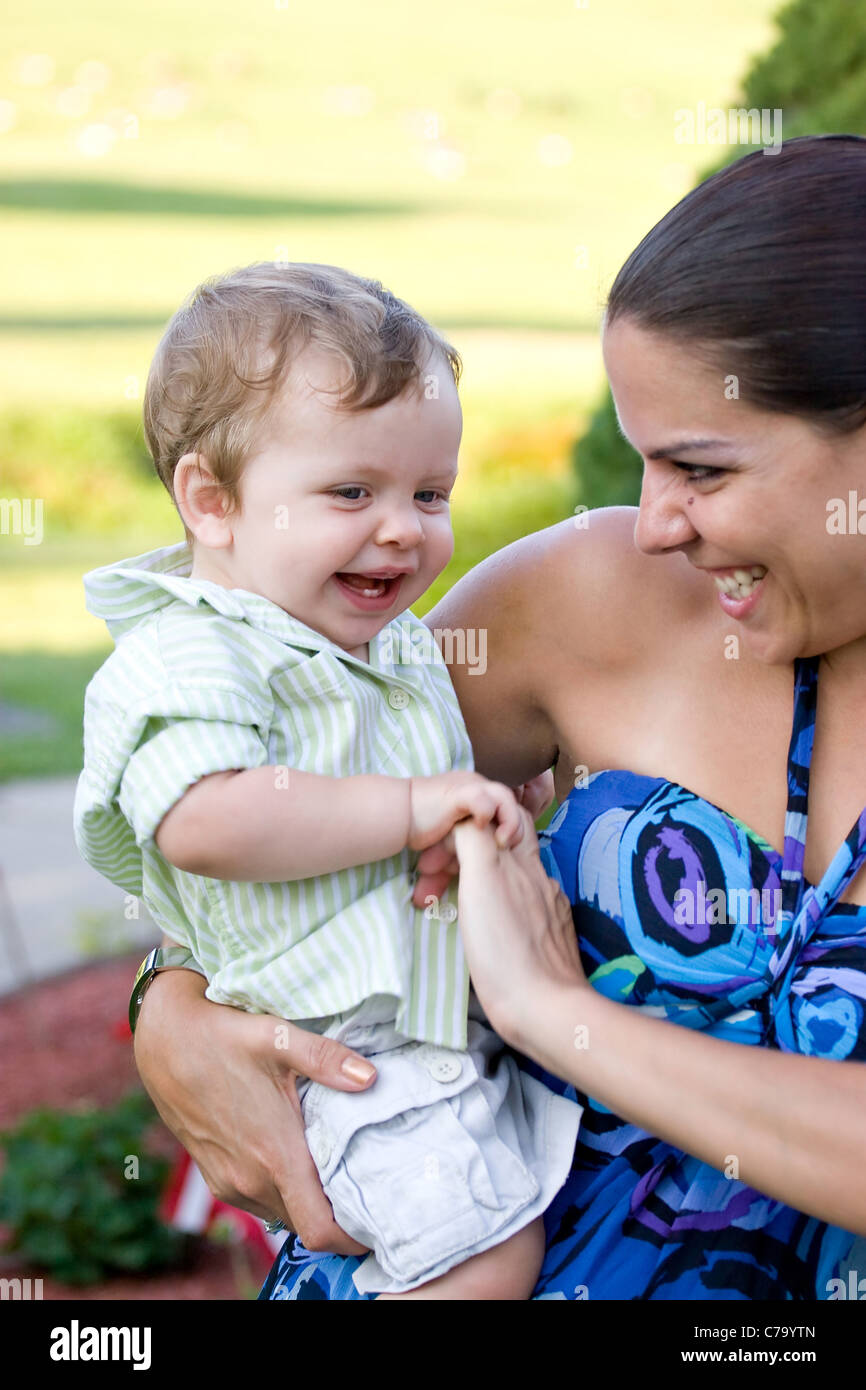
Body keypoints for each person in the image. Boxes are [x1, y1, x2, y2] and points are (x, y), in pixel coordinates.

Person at [133, 135, 866, 1300]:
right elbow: (269, 812)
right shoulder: (580, 599)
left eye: (701, 468)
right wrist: (167, 1006)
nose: (654, 524)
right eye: (640, 463)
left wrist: (549, 1013)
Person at [73, 261, 582, 1299]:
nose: (403, 527)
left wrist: (484, 806)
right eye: (352, 491)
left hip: (428, 1038)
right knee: (482, 1263)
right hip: (337, 1055)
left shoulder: (381, 647)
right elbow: (203, 816)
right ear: (212, 503)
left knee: (505, 1236)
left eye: (429, 493)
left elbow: (414, 789)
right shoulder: (194, 654)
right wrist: (408, 809)